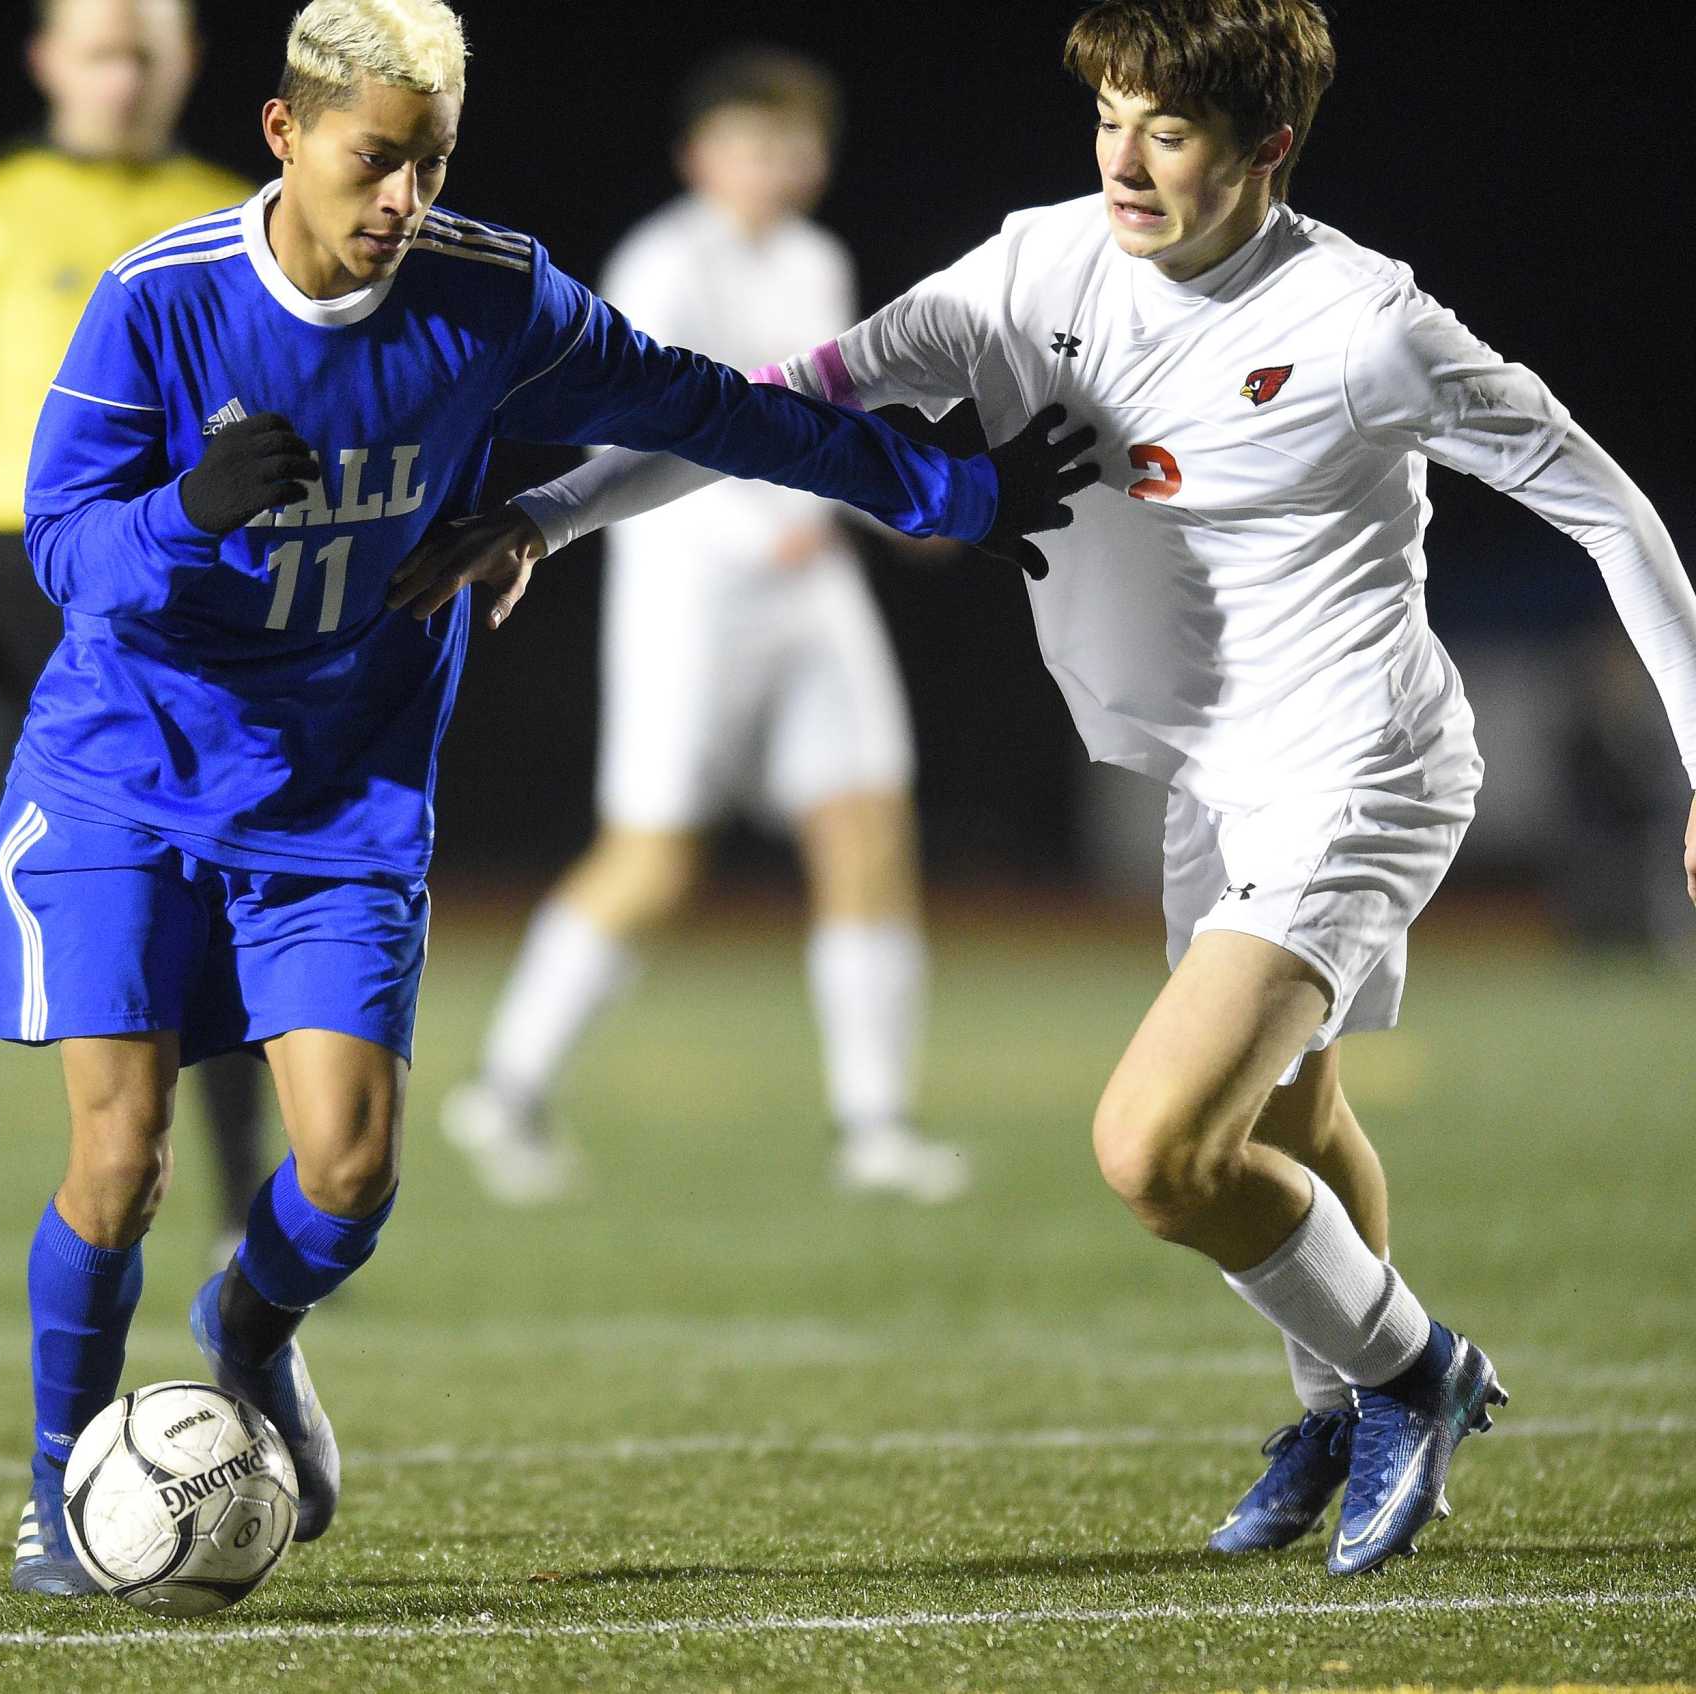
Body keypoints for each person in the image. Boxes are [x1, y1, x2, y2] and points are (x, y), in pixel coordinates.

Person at [393, 0, 1696, 1576]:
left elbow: (1611, 511)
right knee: (1299, 1112)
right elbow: (764, 413)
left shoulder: (1367, 324)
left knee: (1156, 1151)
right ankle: (1354, 1402)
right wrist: (543, 517)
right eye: (1108, 120)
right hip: (1210, 782)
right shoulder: (1032, 269)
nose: (1124, 164)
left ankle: (1415, 1372)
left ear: (1269, 148)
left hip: (1362, 768)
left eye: (1170, 130)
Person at [0, 0, 1094, 1597]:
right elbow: (63, 545)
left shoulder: (488, 295)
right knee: (119, 1158)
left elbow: (713, 408)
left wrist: (946, 489)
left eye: (430, 167)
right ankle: (57, 1494)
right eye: (375, 161)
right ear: (287, 136)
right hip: (129, 779)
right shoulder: (161, 304)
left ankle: (248, 1323)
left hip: (342, 790)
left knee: (351, 1172)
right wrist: (183, 512)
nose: (402, 202)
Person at [440, 48, 966, 1208]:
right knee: (654, 857)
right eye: (748, 142)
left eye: (792, 145)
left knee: (867, 826)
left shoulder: (817, 258)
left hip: (811, 591)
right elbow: (627, 433)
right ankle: (506, 1084)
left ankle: (874, 1124)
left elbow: (819, 426)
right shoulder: (661, 262)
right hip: (687, 595)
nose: (772, 166)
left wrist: (893, 507)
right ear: (698, 156)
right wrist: (752, 529)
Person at [0, 0, 269, 1310]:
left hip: (173, 574)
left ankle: (244, 1224)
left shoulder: (231, 208)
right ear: (48, 61)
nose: (126, 68)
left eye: (149, 46)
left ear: (188, 62)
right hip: (3, 580)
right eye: (101, 44)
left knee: (220, 887)